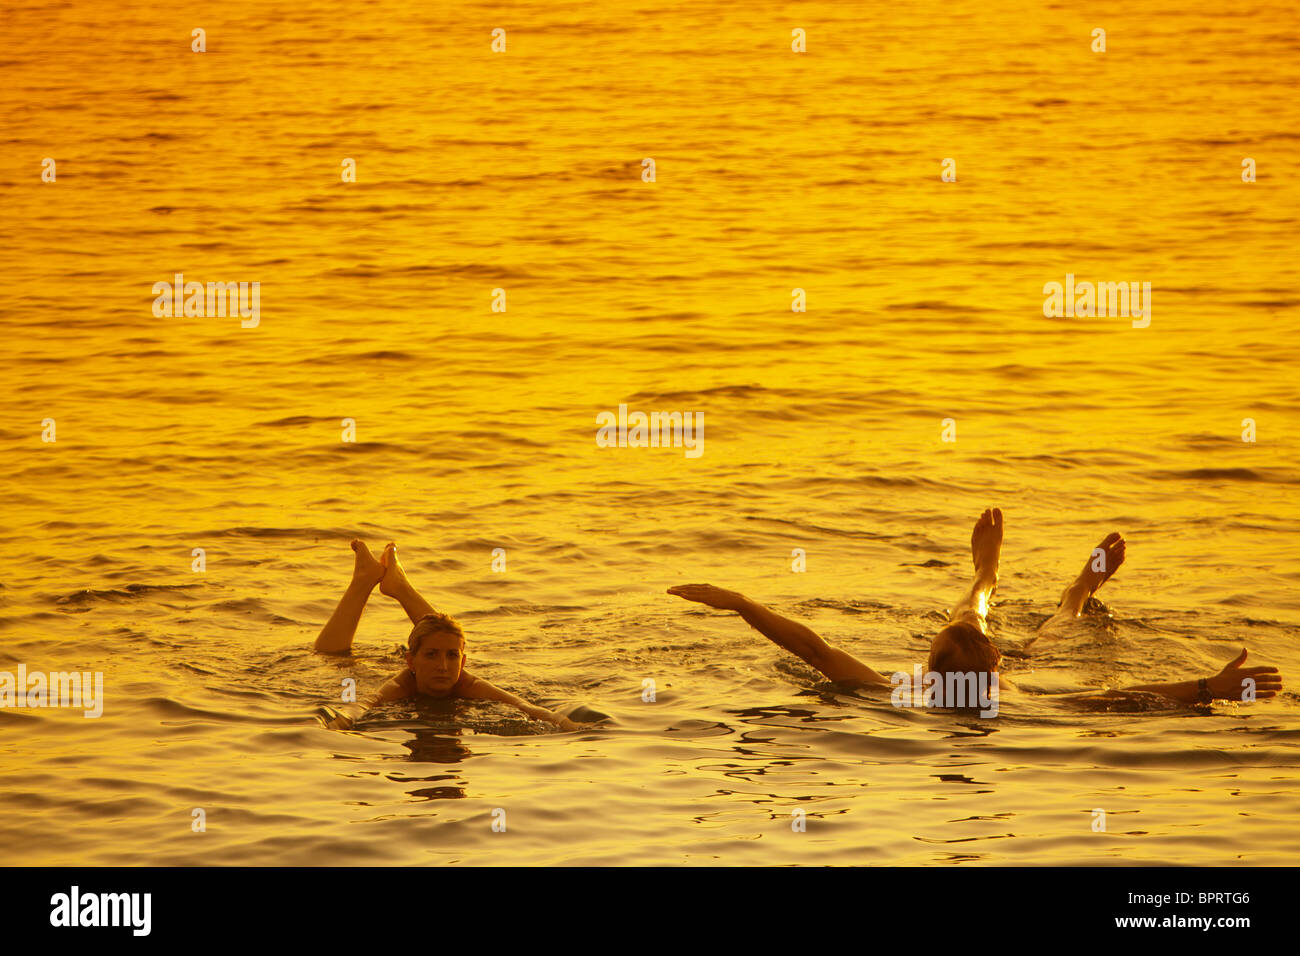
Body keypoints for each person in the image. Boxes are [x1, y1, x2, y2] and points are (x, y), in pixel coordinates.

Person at [668, 508, 1283, 709]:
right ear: (992, 664)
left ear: (933, 675)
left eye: (933, 651)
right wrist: (1211, 684)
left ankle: (994, 577)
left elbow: (814, 649)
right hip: (1008, 669)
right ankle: (1033, 580)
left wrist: (742, 601)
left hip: (979, 669)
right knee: (1061, 621)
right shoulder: (1019, 703)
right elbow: (1128, 699)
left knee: (1010, 610)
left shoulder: (901, 694)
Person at [314, 540, 585, 731]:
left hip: (425, 651)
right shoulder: (402, 685)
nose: (443, 667)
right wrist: (338, 722)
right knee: (329, 657)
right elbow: (362, 705)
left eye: (453, 657)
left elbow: (528, 708)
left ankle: (396, 585)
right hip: (405, 666)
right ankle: (364, 581)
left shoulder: (466, 683)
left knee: (443, 635)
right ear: (410, 662)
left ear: (462, 662)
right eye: (431, 656)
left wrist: (571, 726)